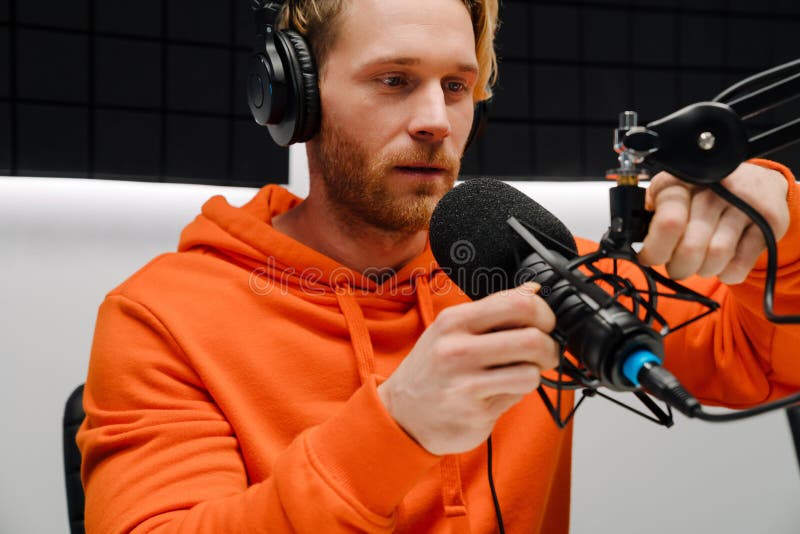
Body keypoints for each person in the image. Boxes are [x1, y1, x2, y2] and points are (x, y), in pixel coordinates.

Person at [77, 0, 800, 532]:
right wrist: (394, 430)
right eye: (394, 80)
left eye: (456, 87)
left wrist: (783, 234)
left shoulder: (528, 266)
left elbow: (764, 364)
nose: (436, 119)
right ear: (295, 101)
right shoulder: (163, 318)